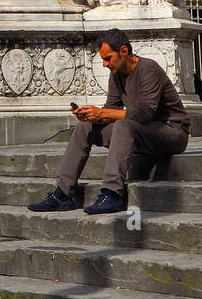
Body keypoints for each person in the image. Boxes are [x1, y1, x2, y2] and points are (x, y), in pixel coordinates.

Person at [28, 29, 190, 216]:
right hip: (141, 132)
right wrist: (92, 116)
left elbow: (145, 114)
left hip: (172, 132)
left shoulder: (148, 68)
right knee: (85, 127)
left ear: (123, 51)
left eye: (108, 58)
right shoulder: (116, 73)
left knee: (123, 125)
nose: (105, 64)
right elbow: (111, 108)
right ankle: (63, 194)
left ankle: (113, 194)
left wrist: (103, 113)